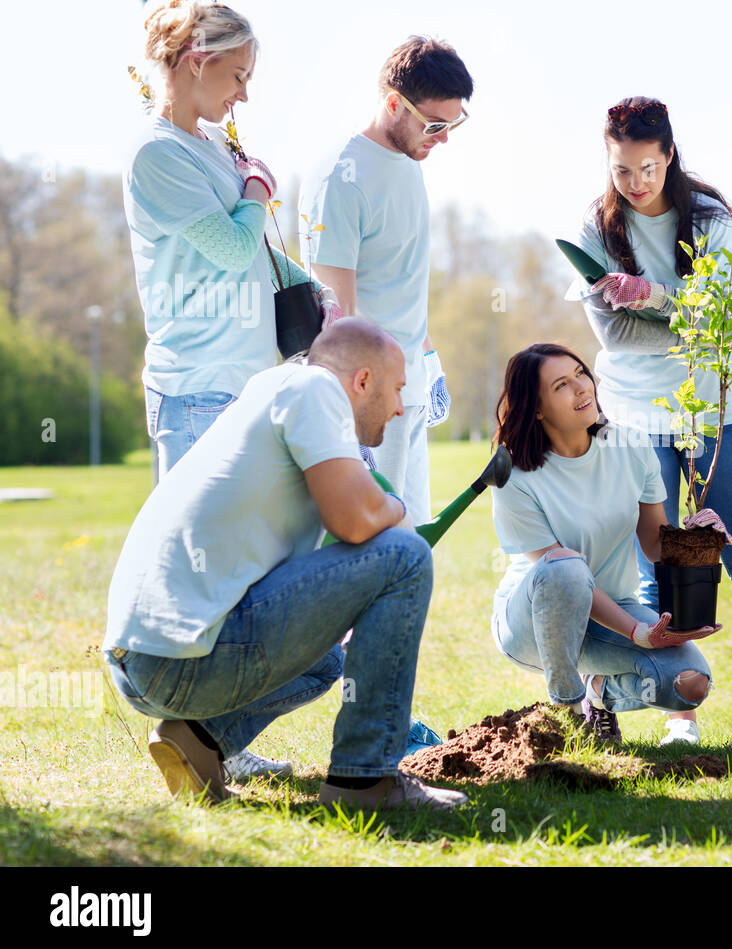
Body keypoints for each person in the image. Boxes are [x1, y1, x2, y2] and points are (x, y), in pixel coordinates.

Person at [103, 318, 466, 812]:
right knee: (405, 557)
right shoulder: (315, 389)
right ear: (362, 381)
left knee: (325, 661)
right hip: (176, 664)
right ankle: (366, 783)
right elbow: (355, 522)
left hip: (143, 660)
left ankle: (198, 739)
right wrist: (399, 510)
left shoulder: (273, 388)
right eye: (398, 389)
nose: (402, 408)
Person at [123, 0, 341, 783]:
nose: (244, 94)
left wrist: (319, 296)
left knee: (262, 586)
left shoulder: (212, 146)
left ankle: (214, 740)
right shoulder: (156, 156)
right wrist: (254, 190)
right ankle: (214, 740)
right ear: (192, 59)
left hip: (248, 388)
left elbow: (257, 257)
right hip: (195, 391)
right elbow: (223, 247)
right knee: (211, 585)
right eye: (238, 76)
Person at [571, 97, 732, 743]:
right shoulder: (595, 227)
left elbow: (724, 323)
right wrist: (684, 312)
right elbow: (615, 340)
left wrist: (650, 296)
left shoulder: (705, 218)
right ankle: (680, 714)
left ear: (668, 154)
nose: (636, 183)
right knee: (660, 566)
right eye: (622, 170)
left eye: (647, 167)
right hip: (634, 422)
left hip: (710, 413)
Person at [489, 343, 723, 745]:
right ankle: (568, 711)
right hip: (533, 621)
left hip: (609, 612)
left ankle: (596, 692)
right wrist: (636, 632)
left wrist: (697, 541)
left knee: (690, 684)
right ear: (537, 408)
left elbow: (654, 545)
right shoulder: (514, 473)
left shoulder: (630, 446)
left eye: (581, 373)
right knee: (565, 567)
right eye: (562, 384)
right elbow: (560, 574)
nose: (582, 388)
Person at [300, 35, 471, 526]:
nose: (442, 138)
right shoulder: (342, 176)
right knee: (379, 543)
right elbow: (335, 321)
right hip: (370, 398)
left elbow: (400, 277)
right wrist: (359, 415)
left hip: (408, 384)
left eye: (453, 124)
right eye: (435, 124)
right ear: (394, 103)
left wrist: (427, 355)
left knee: (414, 541)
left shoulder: (408, 162)